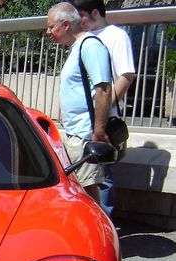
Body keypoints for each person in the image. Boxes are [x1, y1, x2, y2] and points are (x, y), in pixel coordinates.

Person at [69, 0, 135, 215]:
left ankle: (105, 228)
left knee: (101, 176)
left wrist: (104, 107)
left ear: (95, 12)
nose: (79, 22)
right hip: (84, 122)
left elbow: (125, 75)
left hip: (101, 119)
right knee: (91, 176)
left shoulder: (116, 36)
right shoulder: (85, 39)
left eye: (82, 17)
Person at [47, 2, 113, 204]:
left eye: (51, 27)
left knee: (89, 198)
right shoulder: (78, 48)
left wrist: (98, 132)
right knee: (81, 194)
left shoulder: (90, 46)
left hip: (85, 136)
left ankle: (99, 234)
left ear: (66, 24)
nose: (48, 32)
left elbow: (104, 89)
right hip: (76, 134)